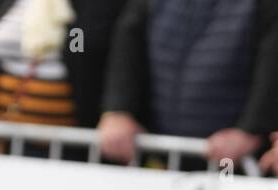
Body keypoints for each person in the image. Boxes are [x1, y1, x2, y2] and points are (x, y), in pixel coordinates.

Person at [99, 0, 278, 169]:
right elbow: (130, 38)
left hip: (235, 163)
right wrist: (118, 110)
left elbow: (272, 58)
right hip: (157, 155)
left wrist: (250, 129)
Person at [0, 0, 129, 152]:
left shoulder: (99, 7)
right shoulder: (1, 4)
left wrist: (118, 110)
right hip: (0, 140)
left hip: (71, 147)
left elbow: (88, 52)